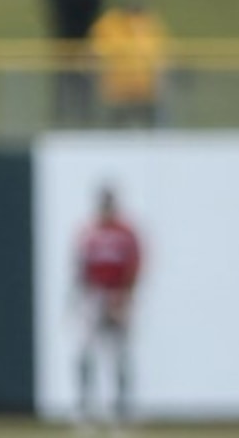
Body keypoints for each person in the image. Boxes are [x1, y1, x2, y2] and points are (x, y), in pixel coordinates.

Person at [73, 185, 143, 432]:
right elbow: (80, 267)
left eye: (108, 204)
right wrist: (80, 300)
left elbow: (135, 266)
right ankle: (85, 412)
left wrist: (125, 297)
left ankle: (122, 412)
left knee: (120, 355)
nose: (105, 210)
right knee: (85, 354)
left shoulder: (126, 233)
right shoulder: (90, 232)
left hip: (118, 295)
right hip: (94, 296)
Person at [88, 0, 171, 129]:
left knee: (151, 126)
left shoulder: (149, 24)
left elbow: (159, 57)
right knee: (116, 127)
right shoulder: (110, 24)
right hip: (117, 90)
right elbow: (97, 53)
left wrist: (160, 81)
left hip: (145, 90)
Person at [45, 0, 105, 126]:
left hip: (68, 40)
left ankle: (64, 113)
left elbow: (51, 6)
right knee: (79, 80)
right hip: (82, 40)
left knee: (67, 80)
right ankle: (80, 113)